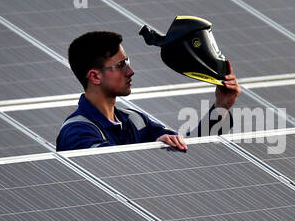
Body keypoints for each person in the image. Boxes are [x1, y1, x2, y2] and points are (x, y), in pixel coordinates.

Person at [56, 30, 240, 152]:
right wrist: (154, 154)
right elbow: (114, 175)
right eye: (120, 65)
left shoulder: (136, 120)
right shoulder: (77, 132)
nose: (130, 71)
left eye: (128, 62)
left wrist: (222, 106)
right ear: (95, 77)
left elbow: (188, 150)